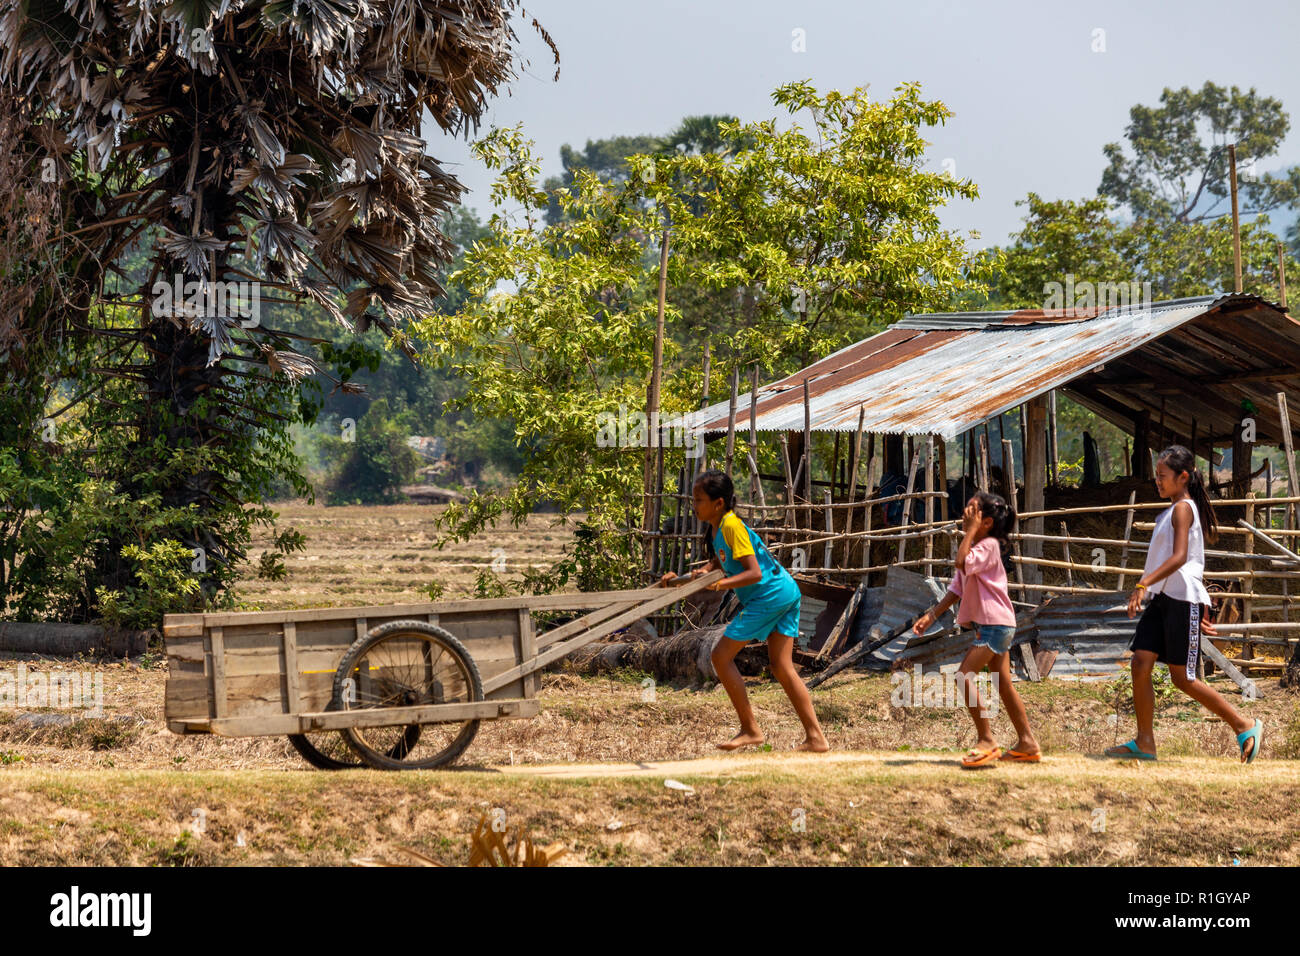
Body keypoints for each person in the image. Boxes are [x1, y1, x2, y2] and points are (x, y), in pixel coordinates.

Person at [1105, 445, 1262, 762]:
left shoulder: (1183, 509)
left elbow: (1179, 558)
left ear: (1183, 476)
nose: (1157, 482)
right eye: (1157, 477)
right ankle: (1145, 742)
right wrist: (1146, 590)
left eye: (1163, 476)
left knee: (1183, 678)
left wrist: (1142, 584)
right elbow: (1164, 559)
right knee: (1139, 663)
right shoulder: (1170, 511)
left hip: (1181, 601)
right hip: (1162, 600)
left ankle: (1244, 724)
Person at [660, 469, 829, 753]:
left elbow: (753, 574)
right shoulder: (719, 528)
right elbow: (723, 557)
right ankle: (816, 738)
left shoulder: (731, 526)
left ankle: (750, 729)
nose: (694, 505)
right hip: (785, 591)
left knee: (720, 655)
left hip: (769, 595)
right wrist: (705, 570)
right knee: (781, 666)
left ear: (718, 503)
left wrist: (720, 584)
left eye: (699, 500)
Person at [912, 491, 1041, 768]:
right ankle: (1027, 742)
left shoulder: (989, 546)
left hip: (995, 625)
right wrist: (931, 616)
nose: (964, 515)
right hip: (994, 624)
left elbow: (962, 563)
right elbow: (957, 588)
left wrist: (968, 533)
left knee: (962, 676)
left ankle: (986, 740)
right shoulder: (975, 548)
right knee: (1002, 683)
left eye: (972, 511)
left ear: (986, 523)